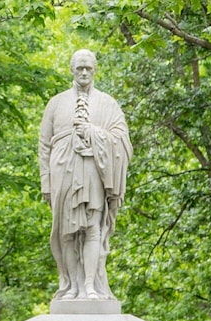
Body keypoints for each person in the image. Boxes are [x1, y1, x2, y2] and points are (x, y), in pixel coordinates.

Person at [37, 49, 131, 301]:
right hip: (62, 173)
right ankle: (72, 286)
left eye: (88, 67)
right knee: (67, 231)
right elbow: (44, 145)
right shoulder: (56, 103)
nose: (84, 72)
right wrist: (46, 182)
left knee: (92, 228)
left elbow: (122, 139)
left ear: (95, 69)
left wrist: (93, 132)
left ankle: (90, 286)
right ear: (71, 69)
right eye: (79, 68)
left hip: (93, 171)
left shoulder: (108, 103)